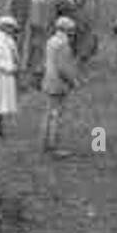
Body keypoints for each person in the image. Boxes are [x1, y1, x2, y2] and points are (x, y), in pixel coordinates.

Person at [41, 17, 82, 157]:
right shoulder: (63, 44)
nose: (73, 33)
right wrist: (74, 81)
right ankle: (55, 147)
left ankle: (45, 143)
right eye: (71, 30)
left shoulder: (51, 41)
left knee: (49, 114)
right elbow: (63, 68)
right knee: (57, 116)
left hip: (48, 81)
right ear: (66, 30)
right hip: (59, 84)